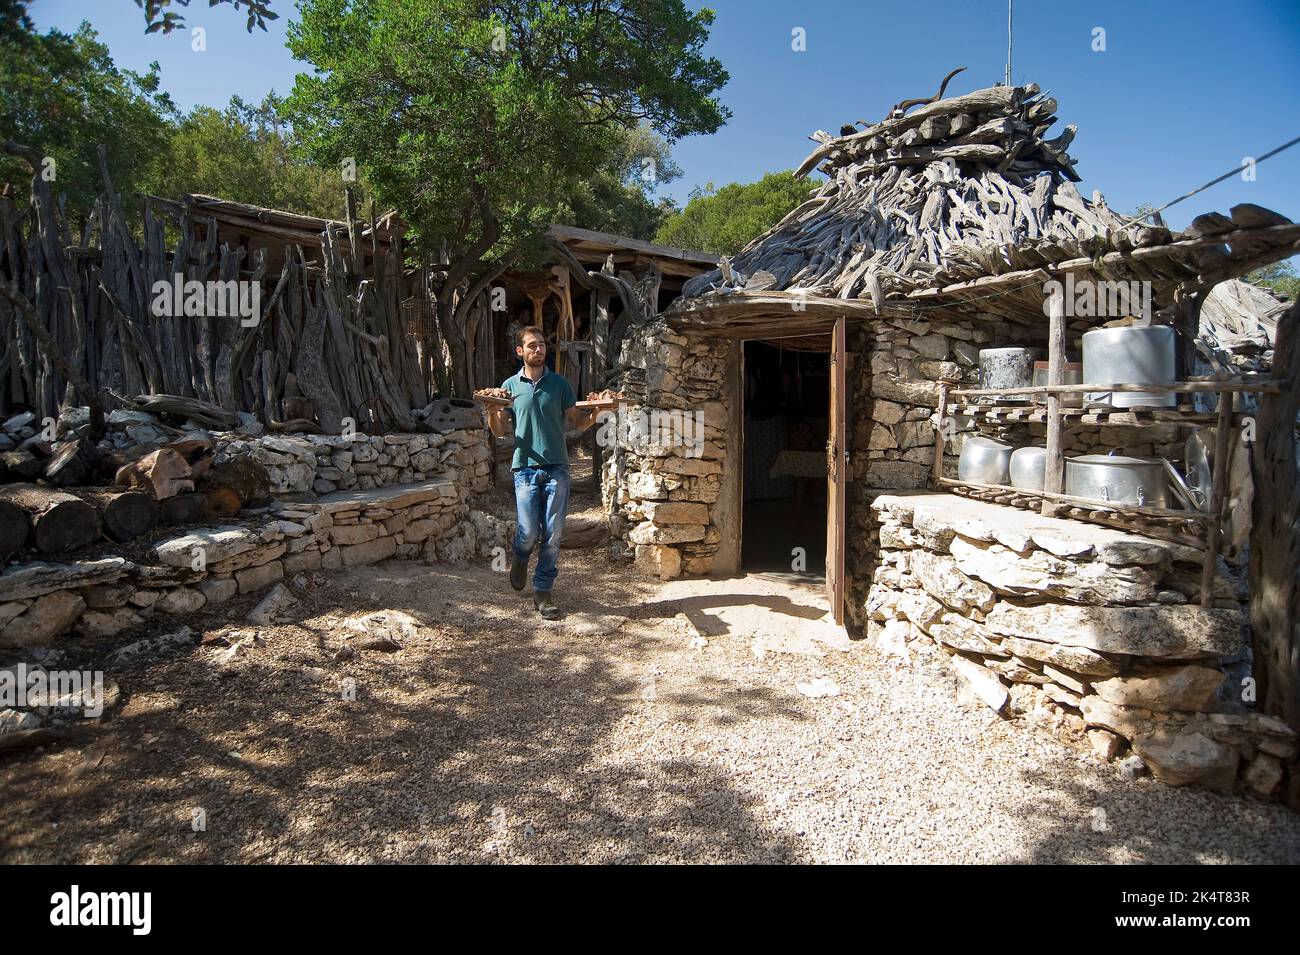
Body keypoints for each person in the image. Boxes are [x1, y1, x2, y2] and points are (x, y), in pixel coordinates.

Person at [486, 325, 599, 619]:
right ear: (520, 351)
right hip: (524, 468)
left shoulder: (560, 385)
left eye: (542, 345)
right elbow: (499, 432)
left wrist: (597, 413)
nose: (539, 350)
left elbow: (575, 422)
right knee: (527, 532)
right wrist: (491, 410)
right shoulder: (508, 387)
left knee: (553, 533)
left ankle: (543, 591)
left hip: (557, 467)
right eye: (532, 345)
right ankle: (521, 556)